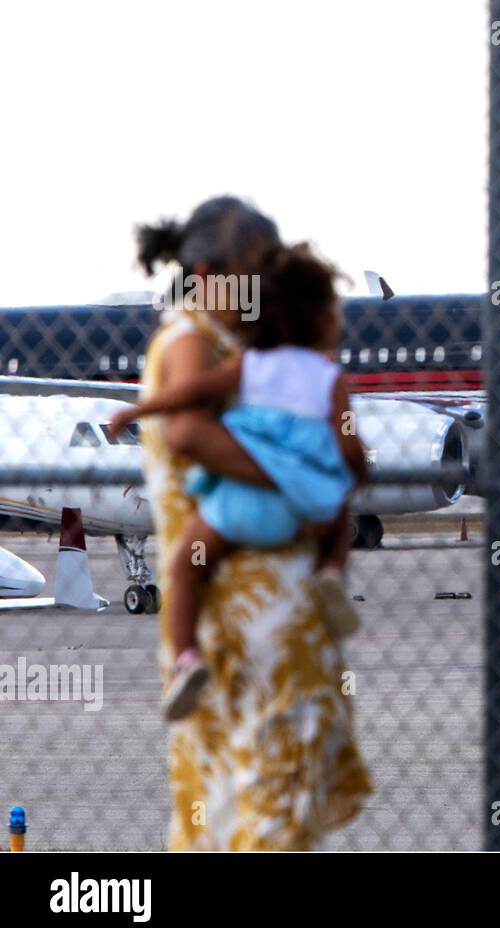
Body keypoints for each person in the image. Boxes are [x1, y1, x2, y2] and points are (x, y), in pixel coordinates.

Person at [135, 196, 370, 849]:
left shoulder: (235, 346)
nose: (267, 292)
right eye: (253, 277)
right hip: (251, 613)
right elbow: (186, 430)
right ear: (209, 275)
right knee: (274, 804)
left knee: (223, 808)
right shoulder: (192, 342)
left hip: (227, 616)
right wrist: (305, 480)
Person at [111, 243, 366, 721]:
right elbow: (349, 445)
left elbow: (191, 393)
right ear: (321, 322)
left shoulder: (246, 366)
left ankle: (185, 659)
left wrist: (137, 409)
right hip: (303, 508)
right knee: (340, 504)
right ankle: (332, 572)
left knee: (187, 563)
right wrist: (347, 479)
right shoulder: (328, 377)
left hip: (239, 507)